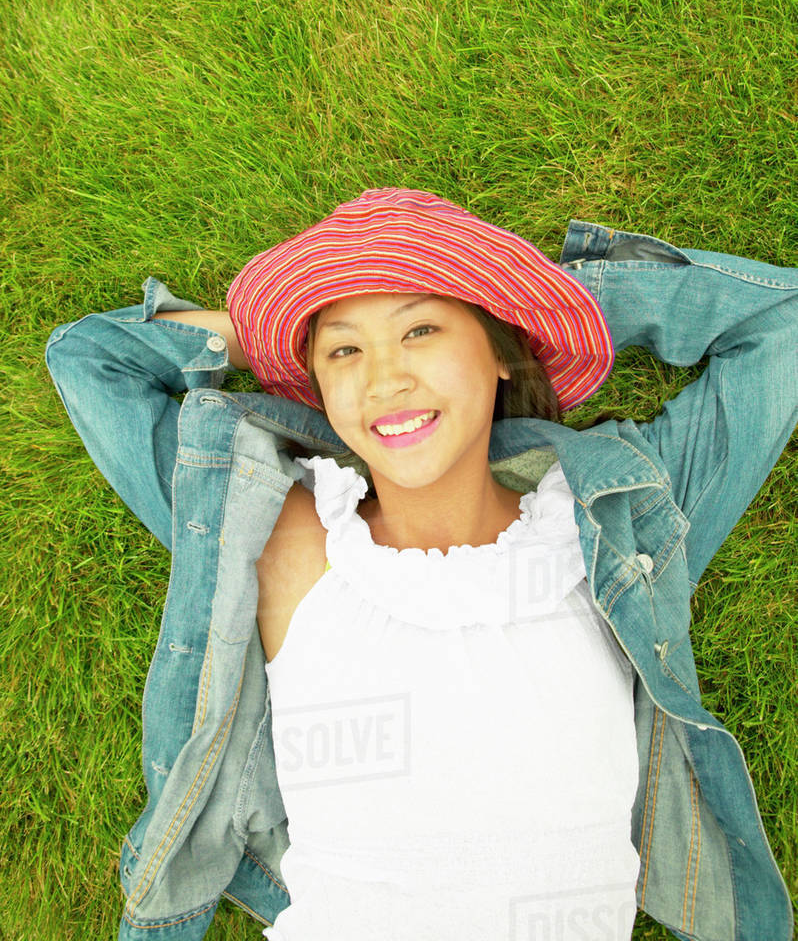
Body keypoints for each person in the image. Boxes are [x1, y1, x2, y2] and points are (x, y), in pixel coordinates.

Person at [45, 187, 797, 941]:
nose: (383, 379)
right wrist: (266, 338)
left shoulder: (614, 520)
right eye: (343, 350)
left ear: (501, 352)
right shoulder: (287, 541)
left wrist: (542, 302)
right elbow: (91, 361)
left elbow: (781, 325)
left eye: (421, 329)